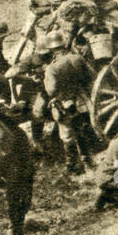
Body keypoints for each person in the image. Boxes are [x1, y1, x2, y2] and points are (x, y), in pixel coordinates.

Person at [37, 31, 96, 174]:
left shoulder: (51, 68)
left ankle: (73, 166)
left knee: (67, 135)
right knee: (81, 129)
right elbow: (92, 76)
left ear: (51, 50)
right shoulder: (76, 58)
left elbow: (51, 90)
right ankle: (87, 161)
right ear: (63, 44)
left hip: (62, 104)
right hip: (81, 101)